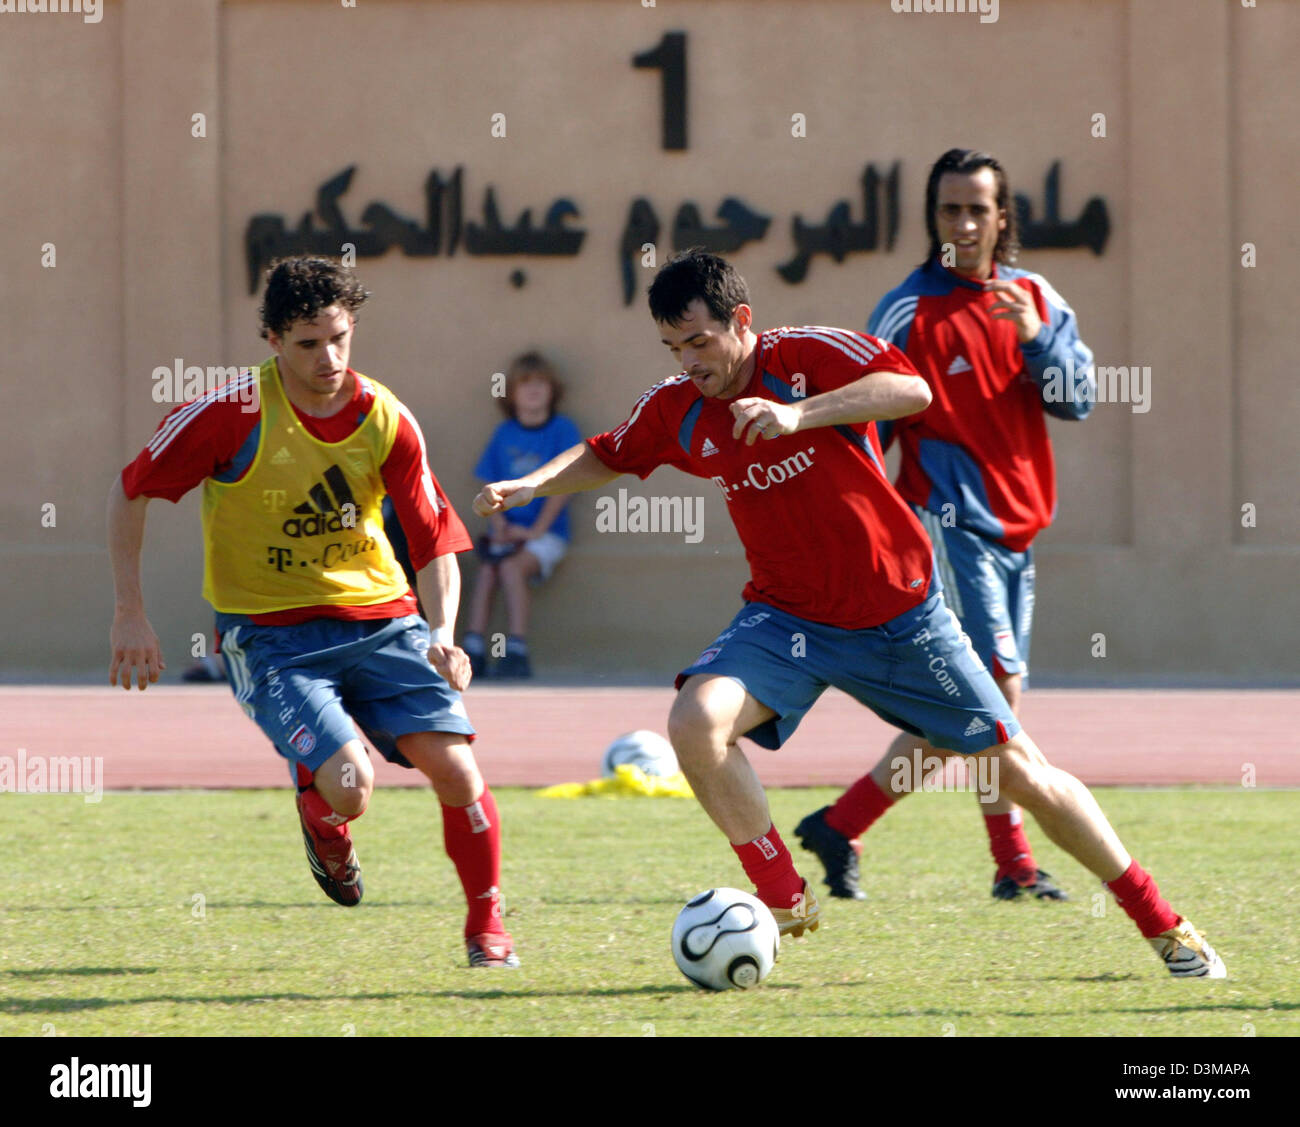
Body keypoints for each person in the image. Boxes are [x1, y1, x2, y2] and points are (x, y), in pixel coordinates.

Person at [474, 248, 1226, 978]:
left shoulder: (807, 355)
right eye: (673, 347)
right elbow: (608, 451)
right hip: (787, 620)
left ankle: (1162, 922)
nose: (688, 362)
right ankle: (782, 893)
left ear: (742, 320)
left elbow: (913, 392)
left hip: (902, 616)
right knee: (693, 723)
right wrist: (528, 486)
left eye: (699, 341)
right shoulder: (681, 409)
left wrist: (800, 414)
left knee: (1022, 774)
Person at [107, 256, 519, 968]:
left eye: (339, 337)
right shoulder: (228, 415)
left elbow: (435, 538)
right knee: (351, 786)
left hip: (384, 620)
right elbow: (131, 488)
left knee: (457, 770)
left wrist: (445, 634)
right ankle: (321, 806)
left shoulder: (385, 416)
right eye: (307, 343)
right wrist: (129, 611)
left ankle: (487, 929)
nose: (328, 358)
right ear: (271, 339)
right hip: (271, 637)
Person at [796, 148, 1094, 905]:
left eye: (976, 208)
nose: (962, 223)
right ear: (933, 220)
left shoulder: (1035, 296)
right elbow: (864, 420)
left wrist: (1039, 340)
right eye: (948, 209)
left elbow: (1078, 398)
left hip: (1020, 531)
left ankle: (842, 820)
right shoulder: (907, 309)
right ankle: (1013, 862)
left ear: (1003, 217)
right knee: (996, 690)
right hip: (947, 519)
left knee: (968, 707)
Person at [462, 353, 582, 678]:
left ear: (552, 390)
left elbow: (566, 485)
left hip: (547, 535)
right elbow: (491, 485)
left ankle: (516, 649)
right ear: (511, 393)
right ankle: (473, 648)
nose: (533, 391)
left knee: (513, 569)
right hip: (508, 533)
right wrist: (499, 525)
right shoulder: (504, 434)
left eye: (540, 383)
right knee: (488, 569)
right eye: (525, 384)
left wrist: (535, 532)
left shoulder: (562, 430)